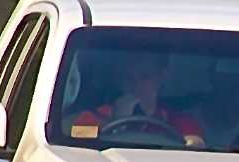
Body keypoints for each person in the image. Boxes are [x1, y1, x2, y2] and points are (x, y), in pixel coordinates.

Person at [65, 50, 204, 146]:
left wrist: (192, 142)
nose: (136, 85)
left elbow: (196, 145)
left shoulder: (181, 123)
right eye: (129, 78)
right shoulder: (92, 118)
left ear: (161, 77)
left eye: (145, 77)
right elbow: (78, 142)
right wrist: (116, 121)